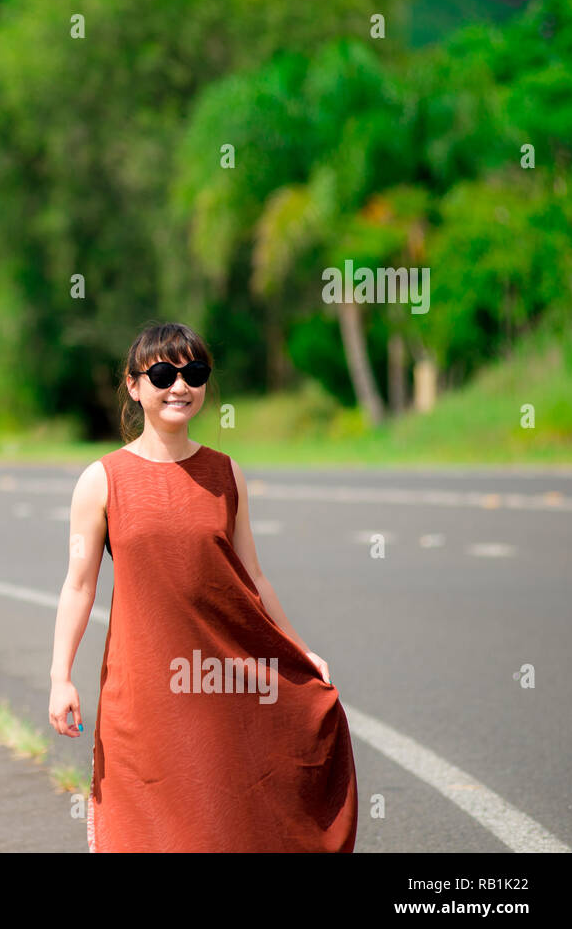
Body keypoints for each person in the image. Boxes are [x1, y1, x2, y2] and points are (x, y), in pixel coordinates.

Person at [47, 320, 358, 852]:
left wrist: (300, 650)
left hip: (218, 683)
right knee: (142, 820)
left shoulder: (227, 473)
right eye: (163, 373)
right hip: (141, 691)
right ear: (133, 385)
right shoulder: (101, 480)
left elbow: (253, 577)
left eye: (194, 372)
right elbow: (79, 585)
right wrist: (60, 677)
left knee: (217, 818)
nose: (179, 386)